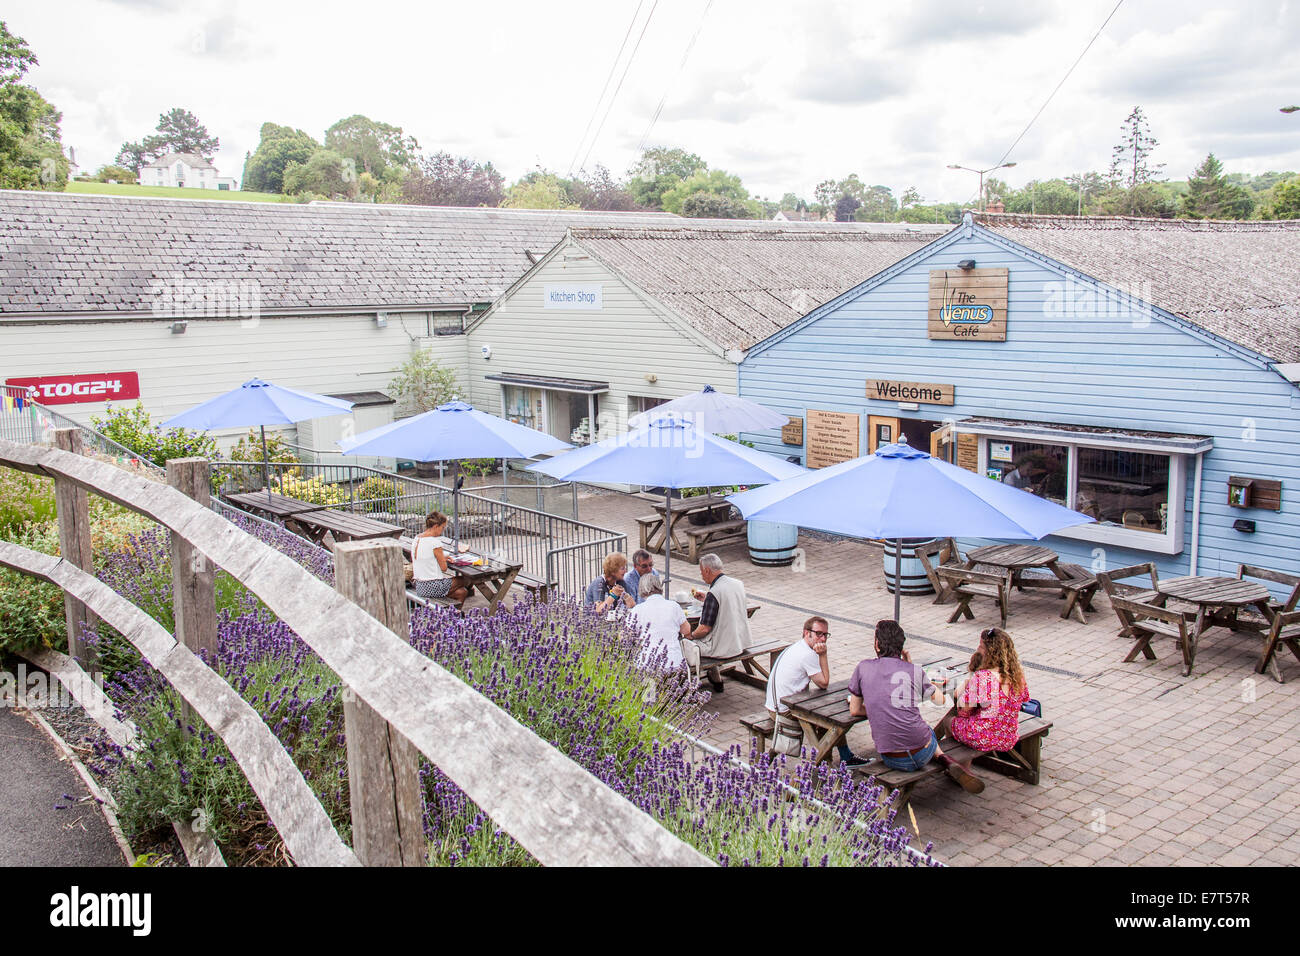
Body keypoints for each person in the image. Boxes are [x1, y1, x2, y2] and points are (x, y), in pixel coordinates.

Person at [847, 619, 984, 793]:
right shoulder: (913, 671)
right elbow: (941, 701)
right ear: (901, 646)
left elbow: (855, 710)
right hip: (921, 753)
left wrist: (877, 709)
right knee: (926, 729)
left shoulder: (863, 667)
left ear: (877, 644)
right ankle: (944, 758)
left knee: (919, 729)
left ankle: (943, 758)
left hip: (891, 757)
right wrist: (914, 670)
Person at [765, 616, 860, 763]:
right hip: (782, 710)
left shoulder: (798, 646)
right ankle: (829, 760)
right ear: (806, 633)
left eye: (825, 635)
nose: (822, 639)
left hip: (776, 703)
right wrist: (823, 655)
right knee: (828, 720)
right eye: (818, 634)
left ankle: (839, 757)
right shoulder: (807, 654)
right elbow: (823, 683)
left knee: (826, 714)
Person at [941, 627, 1030, 755]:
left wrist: (968, 682)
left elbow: (964, 709)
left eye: (981, 646)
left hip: (983, 737)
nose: (978, 648)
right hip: (1008, 736)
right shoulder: (1018, 675)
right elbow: (1023, 700)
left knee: (949, 721)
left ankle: (958, 762)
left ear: (991, 652)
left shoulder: (984, 677)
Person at [688, 553, 751, 693]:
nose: (701, 575)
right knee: (704, 640)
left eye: (701, 572)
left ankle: (691, 685)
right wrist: (707, 600)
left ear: (707, 570)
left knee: (687, 645)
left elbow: (704, 629)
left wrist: (690, 636)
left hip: (724, 648)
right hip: (741, 642)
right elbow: (728, 605)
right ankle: (716, 679)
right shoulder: (737, 584)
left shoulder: (715, 592)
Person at [626, 574, 690, 670]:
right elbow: (686, 630)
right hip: (674, 662)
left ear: (642, 590)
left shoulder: (637, 610)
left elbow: (626, 637)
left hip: (647, 663)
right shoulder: (674, 606)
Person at [410, 511, 469, 604]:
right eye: (442, 527)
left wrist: (441, 557)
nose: (443, 530)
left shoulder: (417, 538)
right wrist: (442, 559)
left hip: (419, 585)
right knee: (466, 579)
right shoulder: (435, 543)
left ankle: (454, 616)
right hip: (432, 586)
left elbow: (424, 556)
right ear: (435, 526)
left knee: (462, 592)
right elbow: (444, 568)